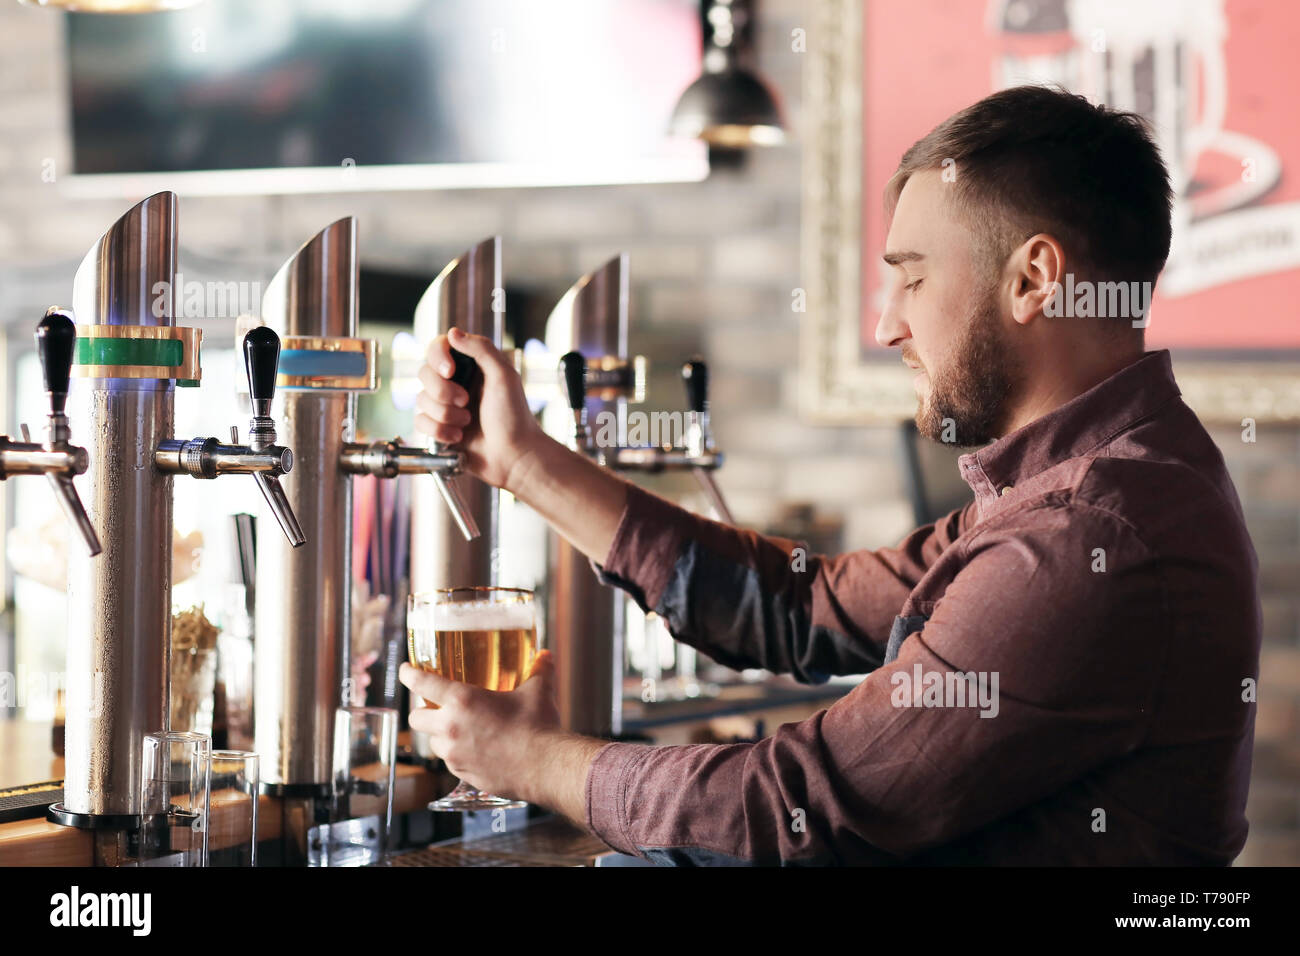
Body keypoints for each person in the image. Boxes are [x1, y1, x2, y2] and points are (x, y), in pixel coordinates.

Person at [399, 85, 1261, 865]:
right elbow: (802, 606)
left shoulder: (1088, 536)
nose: (888, 327)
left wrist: (529, 758)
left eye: (912, 278)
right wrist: (521, 462)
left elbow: (792, 809)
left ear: (1034, 279)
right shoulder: (1078, 485)